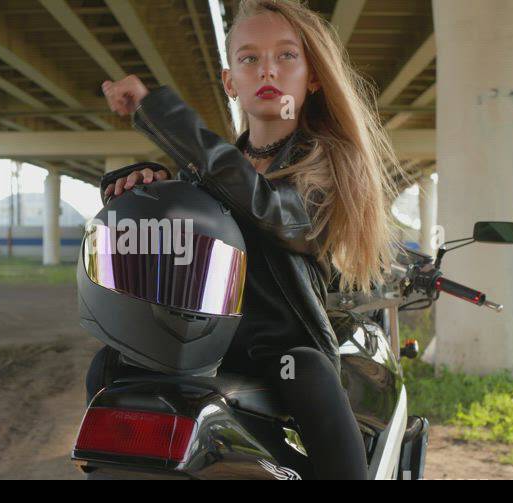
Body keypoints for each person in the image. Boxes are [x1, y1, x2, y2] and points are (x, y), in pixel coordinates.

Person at [88, 0, 406, 479]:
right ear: (229, 81)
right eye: (249, 58)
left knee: (312, 372)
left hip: (279, 345)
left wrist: (165, 118)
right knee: (106, 367)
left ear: (313, 77)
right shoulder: (210, 170)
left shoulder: (327, 164)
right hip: (203, 337)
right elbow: (194, 224)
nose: (267, 70)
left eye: (286, 56)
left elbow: (270, 210)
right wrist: (151, 185)